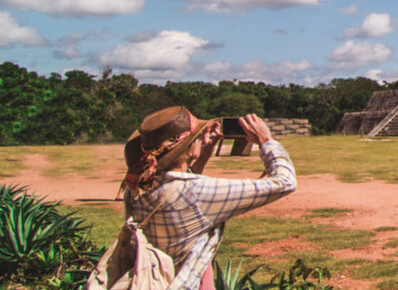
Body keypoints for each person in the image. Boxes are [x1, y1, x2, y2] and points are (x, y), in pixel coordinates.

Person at [121, 107, 296, 290]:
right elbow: (285, 182)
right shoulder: (196, 192)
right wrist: (266, 140)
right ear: (188, 148)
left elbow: (178, 191)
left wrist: (202, 155)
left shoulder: (138, 187)